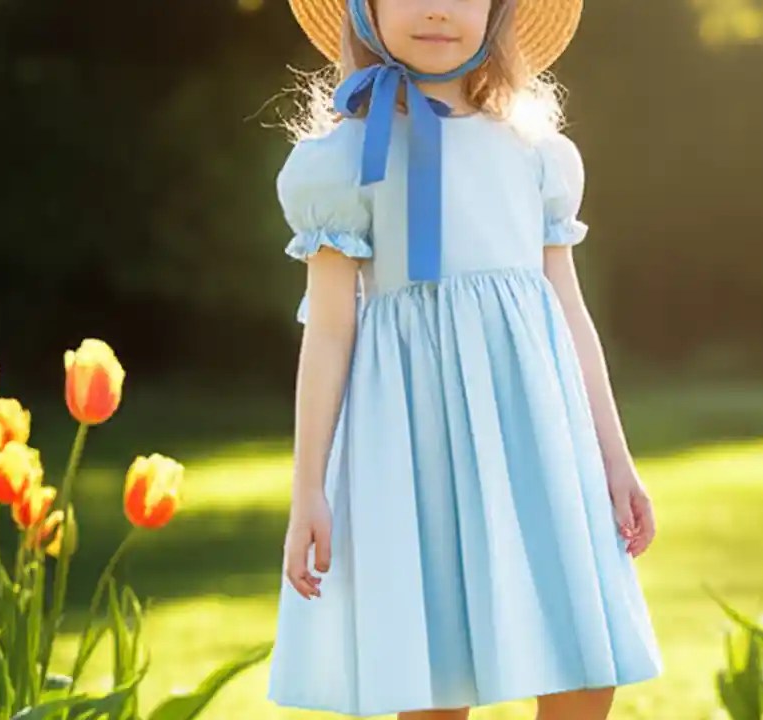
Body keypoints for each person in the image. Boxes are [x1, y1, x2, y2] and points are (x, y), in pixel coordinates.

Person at [265, 0, 664, 717]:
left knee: (582, 660)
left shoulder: (533, 152)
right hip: (413, 441)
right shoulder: (343, 161)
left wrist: (615, 458)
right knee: (432, 675)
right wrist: (309, 489)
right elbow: (327, 331)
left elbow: (571, 314)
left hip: (534, 431)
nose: (438, 10)